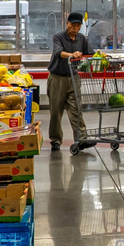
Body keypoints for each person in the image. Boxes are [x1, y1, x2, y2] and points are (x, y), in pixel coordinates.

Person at [46, 13, 94, 152]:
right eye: (73, 25)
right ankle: (55, 140)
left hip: (73, 77)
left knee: (76, 109)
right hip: (57, 78)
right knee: (56, 111)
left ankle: (81, 139)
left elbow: (89, 53)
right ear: (67, 23)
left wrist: (99, 56)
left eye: (78, 25)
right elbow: (58, 52)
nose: (75, 28)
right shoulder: (58, 37)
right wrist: (72, 55)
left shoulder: (81, 39)